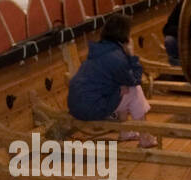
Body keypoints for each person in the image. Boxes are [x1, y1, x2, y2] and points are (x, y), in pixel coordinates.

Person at [67, 13, 156, 148]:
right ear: (124, 35)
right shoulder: (117, 57)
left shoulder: (101, 49)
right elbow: (136, 80)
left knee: (122, 88)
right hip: (91, 108)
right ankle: (145, 137)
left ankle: (125, 132)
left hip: (75, 105)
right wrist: (132, 54)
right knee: (133, 90)